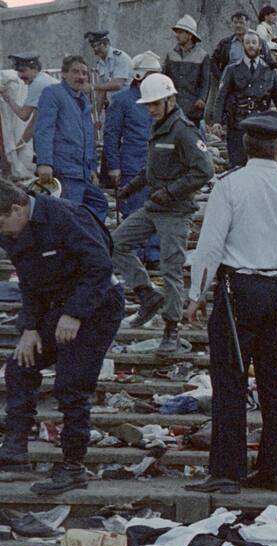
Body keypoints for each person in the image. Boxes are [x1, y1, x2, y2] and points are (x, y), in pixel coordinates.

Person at [184, 112, 277, 495]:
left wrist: (197, 295)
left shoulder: (230, 185)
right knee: (272, 381)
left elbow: (210, 245)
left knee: (230, 379)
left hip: (237, 290)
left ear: (245, 145)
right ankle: (275, 470)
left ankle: (227, 470)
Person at [0, 178, 124, 496]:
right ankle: (15, 452)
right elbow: (29, 282)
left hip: (96, 305)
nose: (2, 233)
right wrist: (28, 328)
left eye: (2, 223)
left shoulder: (66, 216)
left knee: (71, 383)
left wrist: (75, 313)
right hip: (55, 308)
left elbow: (99, 266)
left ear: (17, 209)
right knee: (19, 366)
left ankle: (72, 466)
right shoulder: (14, 230)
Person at [109, 72, 214, 354]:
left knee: (171, 270)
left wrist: (171, 192)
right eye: (149, 105)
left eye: (155, 104)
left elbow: (204, 170)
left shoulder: (183, 130)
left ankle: (171, 327)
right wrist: (130, 188)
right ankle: (146, 295)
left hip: (175, 211)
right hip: (154, 207)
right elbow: (152, 167)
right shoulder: (159, 127)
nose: (150, 109)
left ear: (170, 100)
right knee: (116, 244)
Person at [104, 53, 162, 269]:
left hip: (157, 165)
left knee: (157, 210)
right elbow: (111, 134)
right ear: (140, 75)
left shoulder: (161, 100)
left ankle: (154, 254)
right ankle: (134, 255)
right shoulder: (122, 101)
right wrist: (114, 165)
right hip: (132, 166)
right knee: (134, 213)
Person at [32, 56, 107, 221]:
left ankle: (88, 244)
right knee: (69, 215)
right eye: (75, 72)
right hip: (65, 171)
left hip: (84, 173)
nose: (80, 77)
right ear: (64, 74)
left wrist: (92, 168)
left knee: (99, 204)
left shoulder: (83, 101)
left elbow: (88, 136)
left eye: (84, 73)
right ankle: (70, 247)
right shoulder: (53, 94)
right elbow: (44, 129)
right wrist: (44, 163)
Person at [216, 32, 277, 168]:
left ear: (260, 46)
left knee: (260, 165)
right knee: (237, 165)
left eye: (254, 43)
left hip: (261, 126)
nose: (251, 46)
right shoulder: (232, 70)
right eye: (247, 43)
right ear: (243, 46)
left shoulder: (270, 71)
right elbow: (221, 97)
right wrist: (217, 122)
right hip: (238, 124)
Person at [163, 15, 211, 128]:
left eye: (180, 32)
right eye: (177, 32)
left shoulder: (202, 55)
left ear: (189, 35)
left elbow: (206, 81)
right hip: (173, 104)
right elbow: (165, 78)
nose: (177, 35)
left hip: (193, 106)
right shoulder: (171, 54)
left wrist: (201, 99)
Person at [1, 54, 55, 146]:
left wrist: (8, 98)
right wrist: (20, 145)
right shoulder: (45, 79)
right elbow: (34, 122)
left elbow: (24, 115)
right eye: (18, 72)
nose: (20, 75)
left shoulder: (37, 84)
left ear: (34, 69)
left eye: (23, 71)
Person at [86, 31, 133, 113]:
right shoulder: (100, 64)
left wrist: (92, 87)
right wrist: (97, 116)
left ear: (106, 43)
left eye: (98, 45)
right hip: (112, 107)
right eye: (93, 46)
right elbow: (102, 90)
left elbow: (118, 84)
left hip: (127, 106)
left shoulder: (120, 57)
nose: (95, 49)